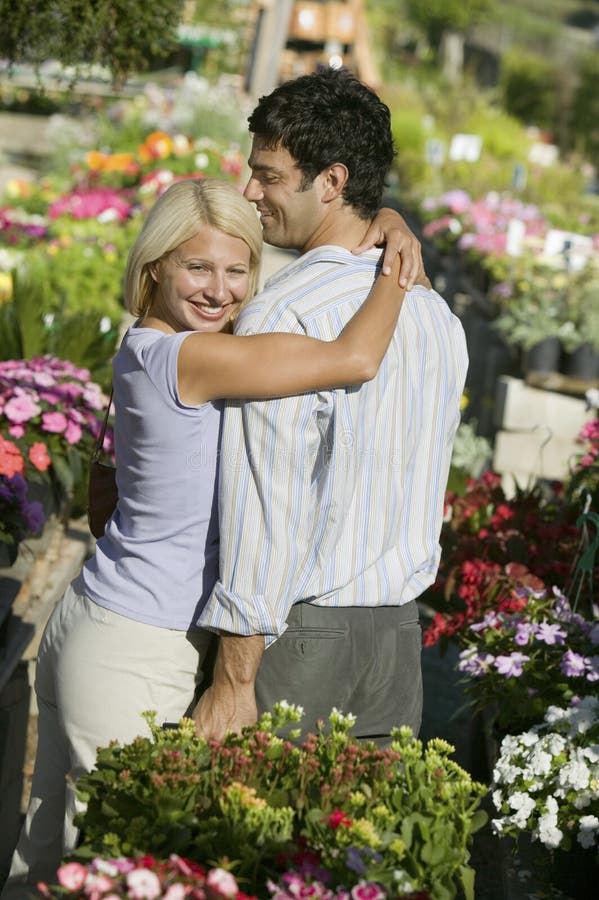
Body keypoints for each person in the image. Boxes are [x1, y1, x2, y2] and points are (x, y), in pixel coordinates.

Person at [1, 175, 423, 897]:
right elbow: (354, 359)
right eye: (198, 267)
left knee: (48, 859)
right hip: (136, 647)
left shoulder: (149, 346)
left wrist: (380, 214)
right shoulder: (187, 360)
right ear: (155, 265)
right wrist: (394, 262)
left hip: (103, 620)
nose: (220, 290)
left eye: (238, 270)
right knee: (115, 864)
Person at [192, 67, 469, 746]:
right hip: (398, 643)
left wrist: (232, 682)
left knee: (249, 845)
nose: (250, 191)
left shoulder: (284, 313)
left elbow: (266, 504)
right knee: (358, 849)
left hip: (299, 636)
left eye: (269, 175)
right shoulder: (435, 315)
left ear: (332, 181)